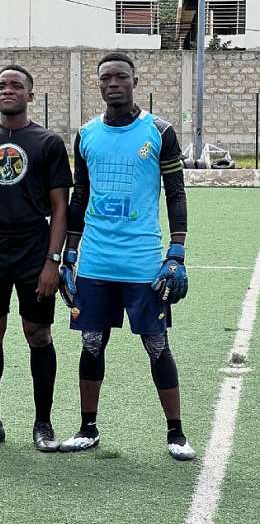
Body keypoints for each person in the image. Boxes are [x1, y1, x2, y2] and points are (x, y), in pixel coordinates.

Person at [58, 52, 194, 461]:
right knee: (91, 344)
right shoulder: (85, 135)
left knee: (156, 344)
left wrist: (177, 250)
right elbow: (79, 195)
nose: (112, 83)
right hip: (96, 261)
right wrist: (69, 254)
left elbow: (175, 192)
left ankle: (176, 433)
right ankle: (87, 428)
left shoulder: (159, 130)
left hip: (141, 261)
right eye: (105, 78)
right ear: (97, 84)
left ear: (135, 81)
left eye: (120, 77)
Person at [0, 65, 73, 450]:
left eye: (17, 85)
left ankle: (43, 423)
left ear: (30, 95)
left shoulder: (48, 143)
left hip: (33, 245)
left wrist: (52, 261)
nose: (9, 90)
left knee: (37, 334)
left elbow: (60, 207)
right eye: (2, 85)